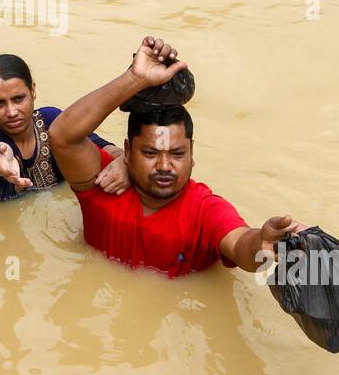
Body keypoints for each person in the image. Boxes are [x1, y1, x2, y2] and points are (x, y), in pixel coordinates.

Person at [47, 35, 306, 278]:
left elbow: (240, 244)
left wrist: (263, 243)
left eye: (177, 154)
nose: (164, 166)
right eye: (150, 153)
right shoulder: (103, 182)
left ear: (192, 153)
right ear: (127, 152)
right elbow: (61, 135)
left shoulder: (205, 210)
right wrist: (135, 79)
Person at [0, 54, 128, 201]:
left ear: (33, 90)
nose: (11, 112)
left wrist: (123, 162)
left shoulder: (52, 122)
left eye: (18, 99)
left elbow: (103, 147)